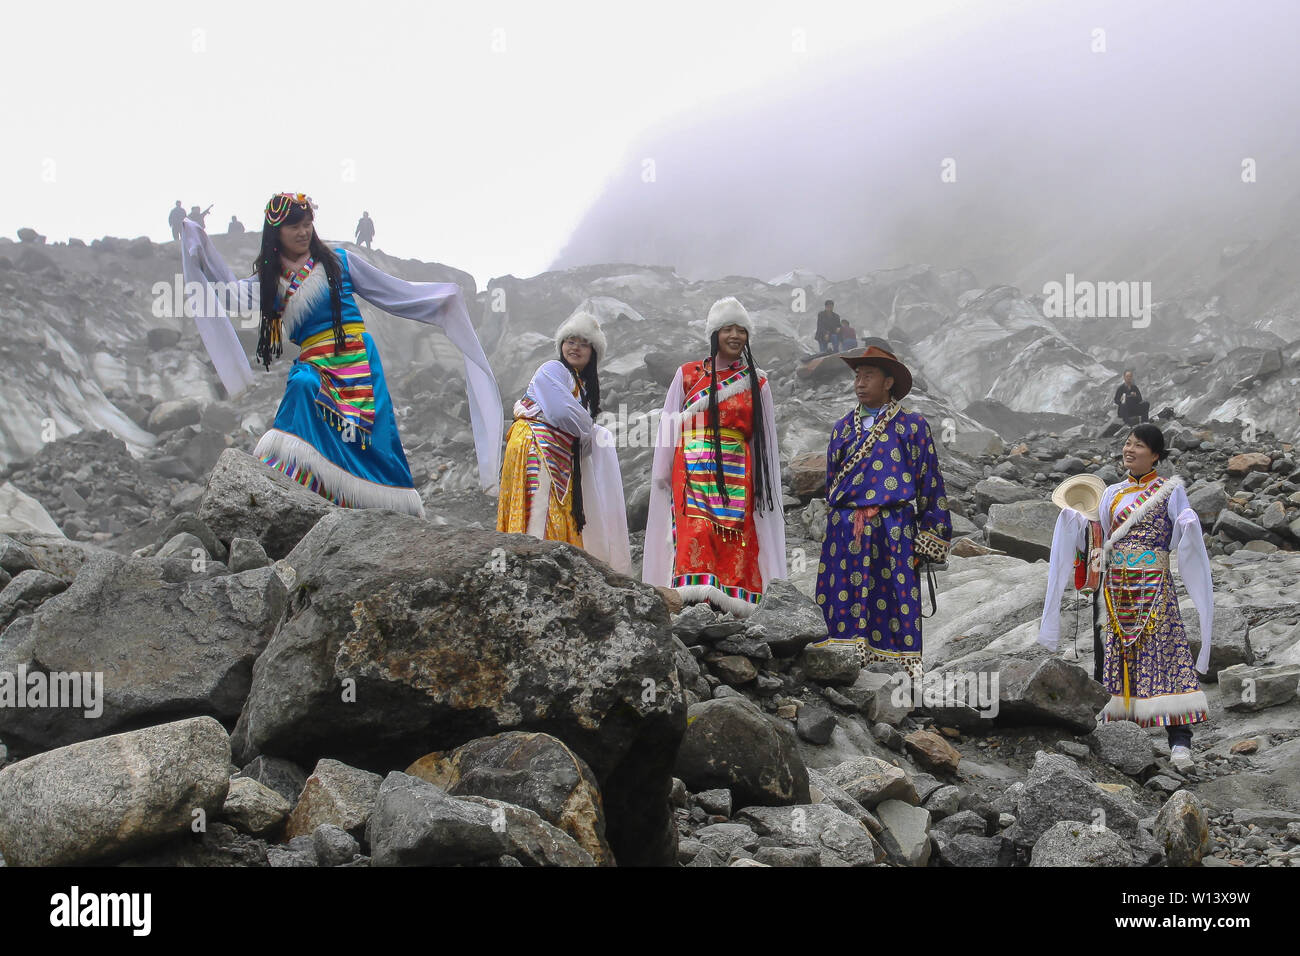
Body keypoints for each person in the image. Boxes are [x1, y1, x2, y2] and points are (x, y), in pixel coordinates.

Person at [178, 191, 503, 513]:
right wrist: (203, 250)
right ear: (276, 232)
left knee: (370, 434)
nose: (303, 232)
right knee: (303, 388)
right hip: (313, 358)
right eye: (294, 227)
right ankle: (298, 485)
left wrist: (440, 299)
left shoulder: (339, 262)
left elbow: (391, 292)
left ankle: (380, 500)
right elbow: (233, 295)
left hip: (356, 356)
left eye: (307, 224)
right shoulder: (269, 279)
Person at [1039, 423, 1212, 772]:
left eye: (1139, 445)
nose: (1129, 450)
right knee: (1113, 657)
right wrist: (1075, 522)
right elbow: (1100, 534)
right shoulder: (1112, 493)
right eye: (1128, 444)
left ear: (1156, 455)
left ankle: (1180, 741)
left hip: (1154, 587)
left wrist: (1190, 523)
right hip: (1115, 589)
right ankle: (1116, 734)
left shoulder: (1171, 490)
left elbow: (1180, 529)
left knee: (1166, 655)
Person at [810, 345, 951, 677]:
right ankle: (839, 670)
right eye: (858, 375)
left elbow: (930, 482)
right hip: (846, 531)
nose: (860, 382)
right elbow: (832, 484)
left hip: (894, 529)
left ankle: (895, 675)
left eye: (868, 375)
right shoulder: (842, 427)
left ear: (889, 382)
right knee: (841, 596)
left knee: (891, 598)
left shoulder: (913, 427)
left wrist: (930, 537)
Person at [643, 297, 787, 616]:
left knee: (736, 536)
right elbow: (670, 425)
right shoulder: (687, 374)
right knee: (696, 530)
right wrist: (662, 475)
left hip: (738, 468)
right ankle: (691, 601)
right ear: (714, 334)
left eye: (741, 330)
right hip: (690, 468)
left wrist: (764, 484)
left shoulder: (757, 381)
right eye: (727, 329)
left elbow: (764, 439)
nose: (735, 336)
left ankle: (732, 605)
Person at [497, 311, 630, 573]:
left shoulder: (580, 387)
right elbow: (561, 413)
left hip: (554, 453)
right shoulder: (553, 369)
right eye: (570, 341)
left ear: (593, 352)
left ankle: (542, 566)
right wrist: (589, 430)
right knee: (540, 509)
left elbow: (576, 423)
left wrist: (585, 428)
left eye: (583, 343)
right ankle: (533, 566)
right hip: (536, 446)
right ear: (561, 345)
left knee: (552, 510)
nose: (575, 347)